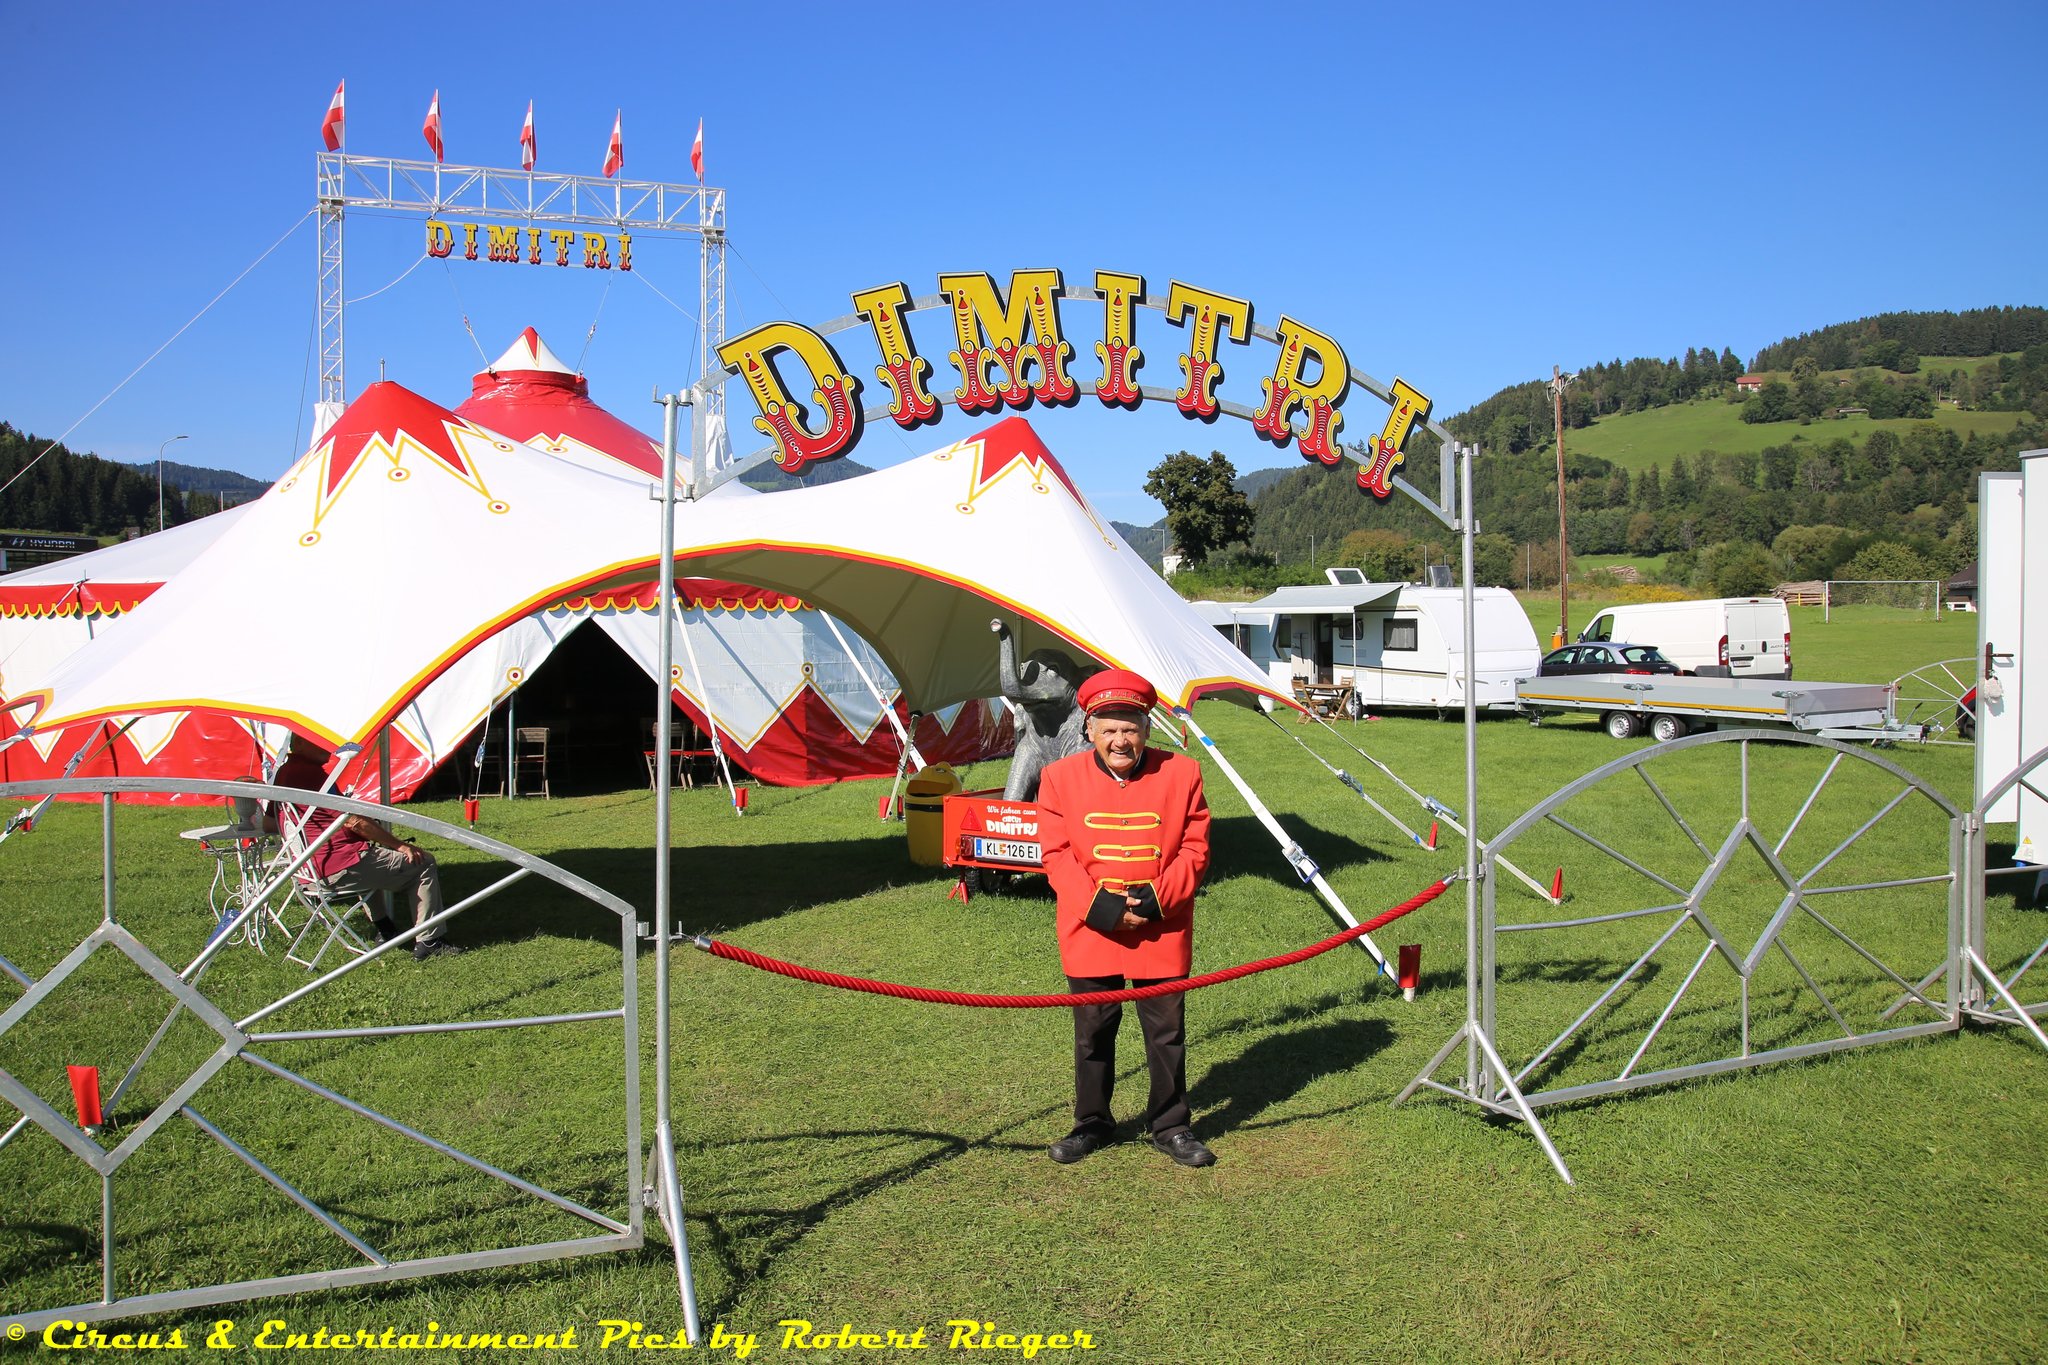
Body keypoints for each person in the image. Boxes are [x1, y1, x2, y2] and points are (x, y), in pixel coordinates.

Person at [1033, 668, 1214, 1168]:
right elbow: (1057, 855)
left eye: (1130, 727)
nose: (1120, 739)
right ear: (1089, 729)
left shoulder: (1183, 774)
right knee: (1092, 1031)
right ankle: (1091, 1123)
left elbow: (1195, 850)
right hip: (1090, 927)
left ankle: (1172, 1125)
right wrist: (1104, 909)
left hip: (1162, 925)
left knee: (1166, 1033)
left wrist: (1157, 900)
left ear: (1147, 729)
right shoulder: (1057, 778)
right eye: (1108, 727)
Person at [266, 735, 463, 961]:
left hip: (307, 870)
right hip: (337, 867)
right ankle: (430, 940)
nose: (327, 747)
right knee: (423, 862)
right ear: (299, 744)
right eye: (317, 742)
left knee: (368, 854)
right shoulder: (312, 775)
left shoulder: (283, 773)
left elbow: (269, 823)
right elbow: (352, 821)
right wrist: (400, 845)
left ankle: (385, 928)